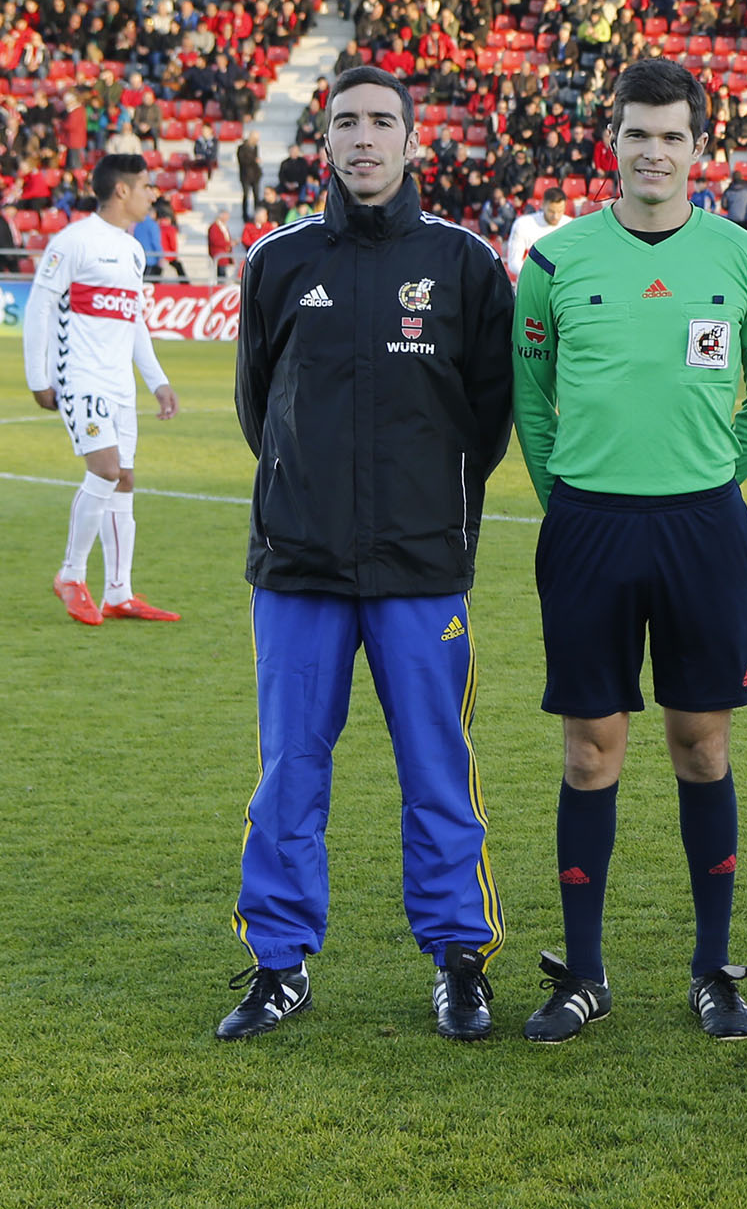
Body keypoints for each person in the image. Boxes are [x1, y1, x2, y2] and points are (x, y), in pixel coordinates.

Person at [220, 66, 516, 1042]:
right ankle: (278, 962)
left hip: (420, 568)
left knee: (437, 767)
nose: (362, 137)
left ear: (410, 139)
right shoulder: (277, 260)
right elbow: (259, 408)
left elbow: (488, 413)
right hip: (299, 565)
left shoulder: (464, 263)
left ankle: (459, 958)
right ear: (326, 138)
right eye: (345, 120)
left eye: (381, 121)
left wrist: (432, 504)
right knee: (289, 771)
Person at [511, 58, 747, 1044]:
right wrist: (568, 503)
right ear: (614, 141)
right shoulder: (555, 263)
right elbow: (531, 402)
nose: (654, 151)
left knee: (700, 742)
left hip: (701, 526)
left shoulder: (744, 263)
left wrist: (714, 473)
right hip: (588, 525)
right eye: (638, 132)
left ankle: (712, 967)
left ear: (699, 149)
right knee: (591, 750)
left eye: (672, 135)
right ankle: (582, 972)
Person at [21, 153, 181, 627]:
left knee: (125, 479)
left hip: (119, 384)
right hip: (81, 376)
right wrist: (39, 378)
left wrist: (158, 381)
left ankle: (119, 592)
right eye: (147, 186)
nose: (154, 194)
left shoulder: (132, 250)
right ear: (122, 191)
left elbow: (134, 322)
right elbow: (39, 309)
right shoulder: (74, 242)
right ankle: (71, 575)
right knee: (106, 470)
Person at [506, 186, 571, 279]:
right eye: (551, 211)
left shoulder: (570, 225)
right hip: (530, 284)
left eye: (560, 211)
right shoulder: (523, 225)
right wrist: (539, 278)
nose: (556, 216)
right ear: (543, 205)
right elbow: (513, 263)